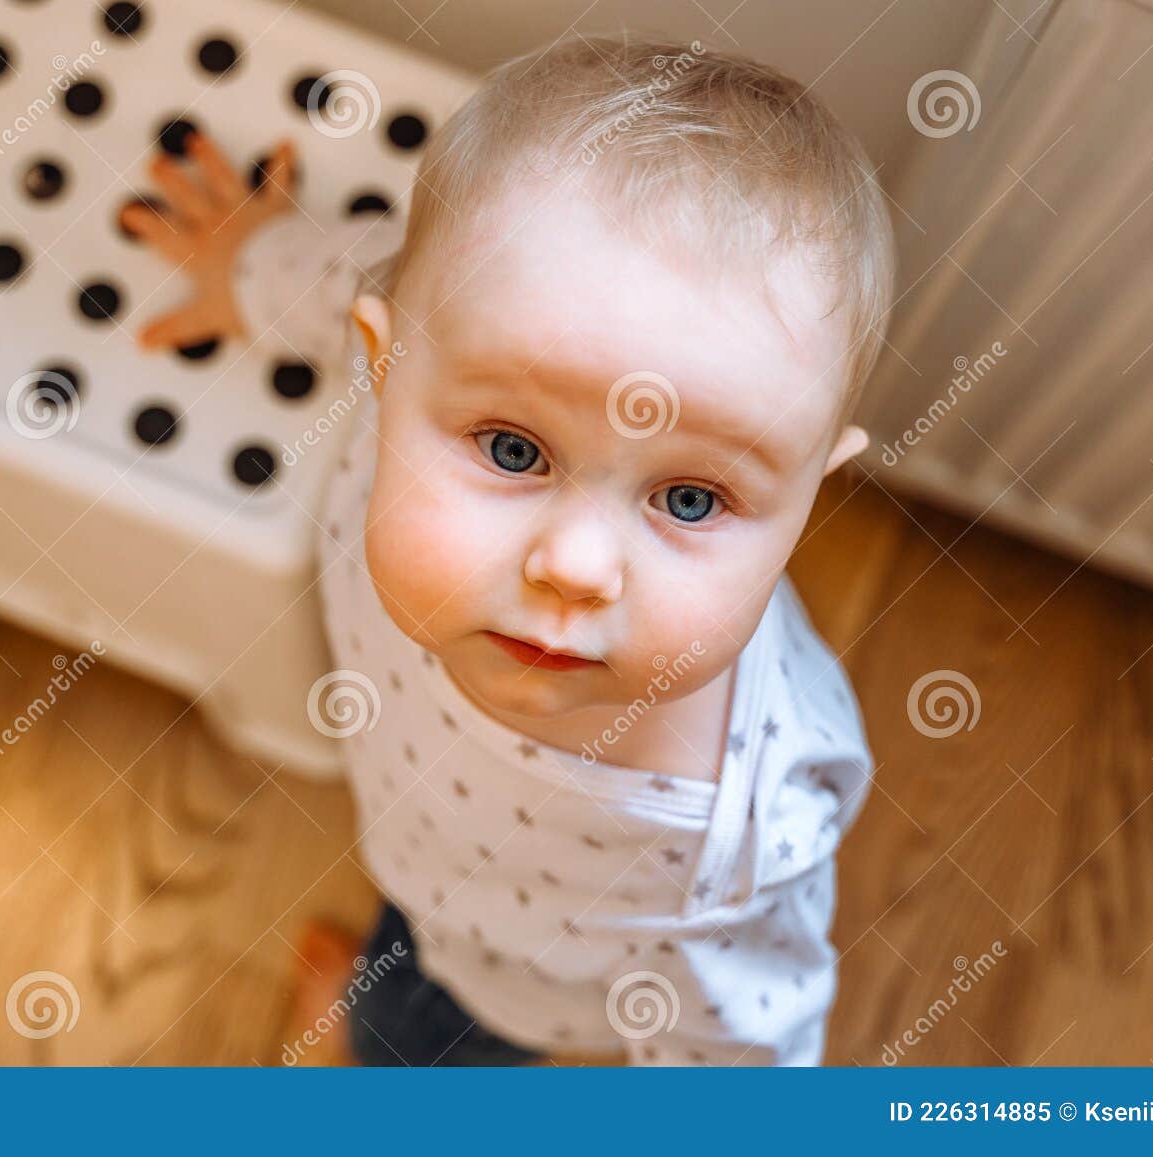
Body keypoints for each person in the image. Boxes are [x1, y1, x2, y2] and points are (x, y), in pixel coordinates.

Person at [123, 34, 896, 1066]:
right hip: (421, 844)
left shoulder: (740, 838)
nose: (574, 566)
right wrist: (254, 263)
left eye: (690, 497)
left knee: (419, 1038)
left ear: (808, 491)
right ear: (388, 364)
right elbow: (359, 282)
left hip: (509, 991)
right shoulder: (447, 344)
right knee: (403, 941)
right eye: (513, 449)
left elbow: (748, 1052)